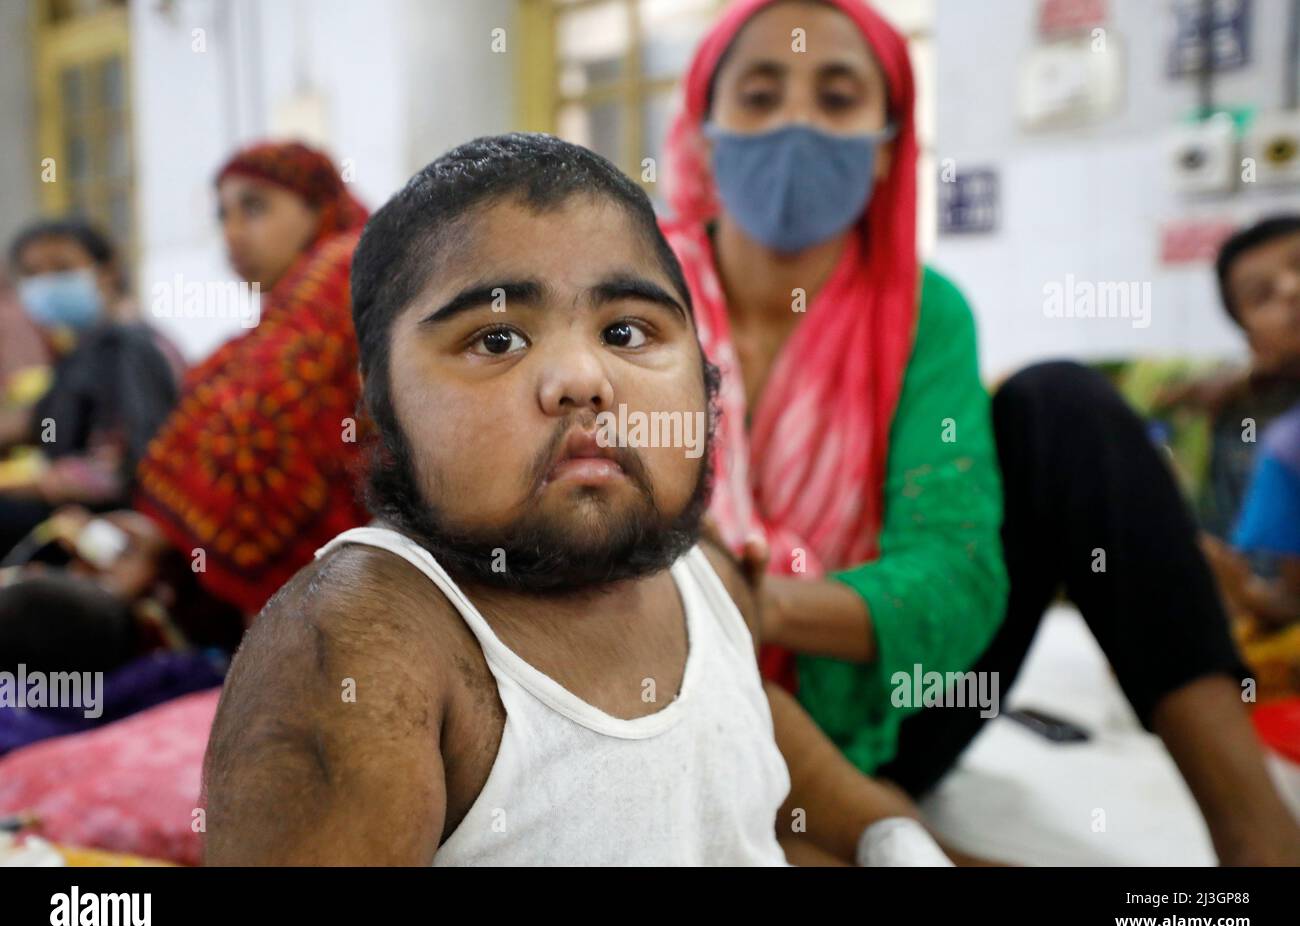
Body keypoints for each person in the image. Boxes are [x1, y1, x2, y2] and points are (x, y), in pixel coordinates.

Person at [202, 133, 959, 867]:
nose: (582, 378)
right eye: (497, 340)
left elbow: (744, 722)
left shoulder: (706, 578)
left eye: (627, 330)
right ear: (381, 411)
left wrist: (884, 834)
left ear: (706, 379)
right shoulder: (364, 649)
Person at [660, 0, 1300, 864]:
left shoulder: (925, 316)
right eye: (761, 95)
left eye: (840, 96)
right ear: (703, 130)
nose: (798, 124)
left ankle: (1260, 841)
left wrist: (761, 603)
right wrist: (706, 602)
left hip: (892, 703)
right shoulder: (632, 295)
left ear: (888, 143)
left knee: (1062, 405)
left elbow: (957, 572)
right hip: (669, 694)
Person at [41, 142, 372, 655]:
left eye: (256, 207)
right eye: (224, 215)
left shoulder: (343, 268)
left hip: (344, 603)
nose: (233, 232)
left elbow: (258, 428)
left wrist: (170, 535)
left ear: (318, 206)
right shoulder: (286, 310)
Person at [0, 219, 181, 557]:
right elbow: (39, 420)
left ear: (107, 271)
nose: (46, 283)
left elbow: (119, 470)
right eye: (32, 273)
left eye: (62, 267)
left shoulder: (129, 348)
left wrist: (32, 484)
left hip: (122, 534)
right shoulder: (84, 350)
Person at [1200, 216, 1300, 697]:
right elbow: (1276, 591)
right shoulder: (1271, 437)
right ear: (1253, 341)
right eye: (1261, 295)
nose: (1292, 289)